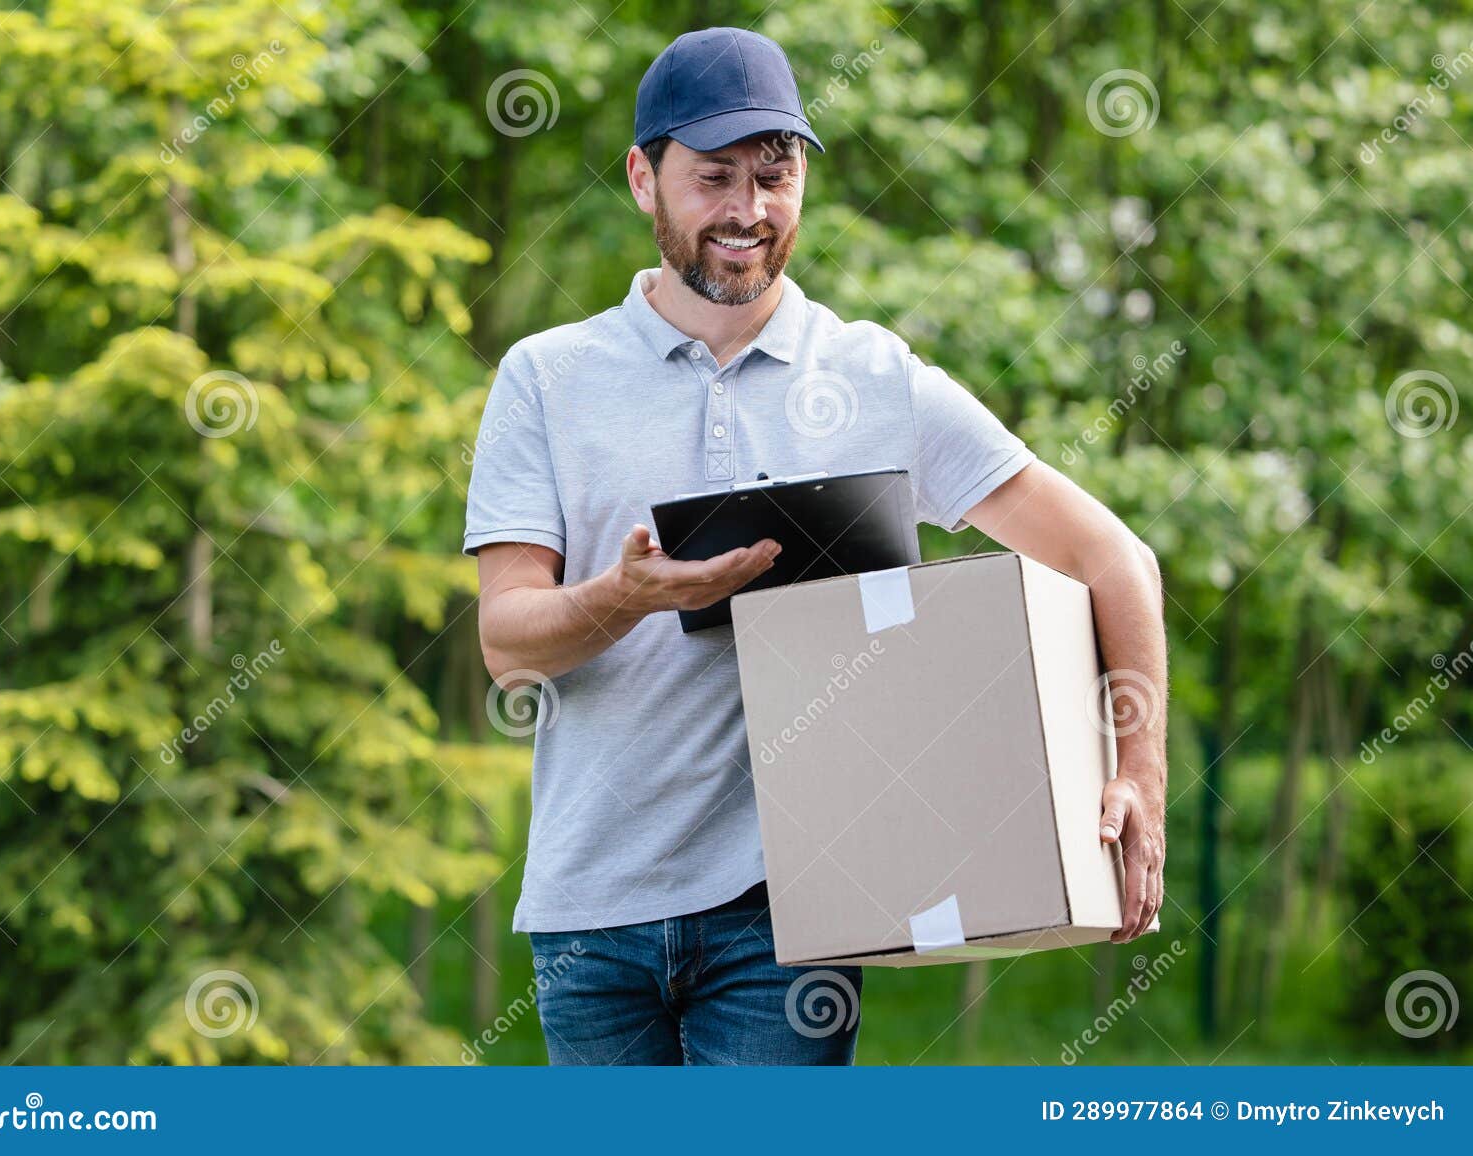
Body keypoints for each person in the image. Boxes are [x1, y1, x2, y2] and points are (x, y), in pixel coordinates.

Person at [464, 26, 1167, 1065]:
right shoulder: (546, 378)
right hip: (589, 916)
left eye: (774, 173)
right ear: (641, 181)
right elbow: (508, 644)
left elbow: (1114, 559)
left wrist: (1137, 769)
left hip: (788, 916)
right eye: (713, 178)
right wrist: (624, 596)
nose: (748, 210)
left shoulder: (874, 379)